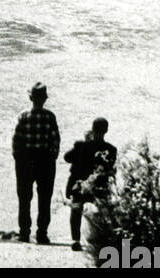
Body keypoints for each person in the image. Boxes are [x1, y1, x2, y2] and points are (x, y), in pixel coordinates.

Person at [12, 81, 61, 244]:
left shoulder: (23, 116)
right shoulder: (50, 116)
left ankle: (24, 232)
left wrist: (19, 159)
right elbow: (55, 140)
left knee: (24, 197)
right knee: (45, 197)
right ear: (44, 99)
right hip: (45, 159)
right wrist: (52, 157)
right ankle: (42, 233)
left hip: (26, 159)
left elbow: (17, 141)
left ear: (31, 98)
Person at [64, 118, 117, 252]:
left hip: (79, 183)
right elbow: (110, 167)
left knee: (76, 210)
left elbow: (66, 157)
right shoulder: (111, 149)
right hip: (99, 185)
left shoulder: (81, 145)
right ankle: (101, 239)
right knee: (102, 212)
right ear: (106, 131)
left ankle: (75, 240)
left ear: (92, 129)